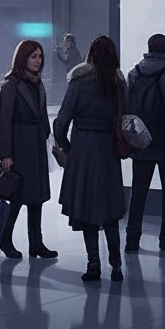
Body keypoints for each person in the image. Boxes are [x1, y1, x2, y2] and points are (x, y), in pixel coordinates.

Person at [55, 35, 127, 282]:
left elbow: (62, 121)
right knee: (109, 212)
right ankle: (116, 266)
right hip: (108, 151)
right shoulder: (118, 82)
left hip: (84, 150)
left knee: (87, 212)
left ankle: (93, 264)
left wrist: (66, 147)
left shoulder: (79, 80)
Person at [125, 33, 165, 252]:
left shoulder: (134, 72)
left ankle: (132, 239)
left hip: (141, 143)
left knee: (138, 192)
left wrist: (138, 132)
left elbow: (126, 106)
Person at [0, 39, 57, 260]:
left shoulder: (37, 82)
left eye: (40, 57)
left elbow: (42, 115)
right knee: (17, 196)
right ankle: (5, 238)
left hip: (36, 145)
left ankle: (36, 243)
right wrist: (6, 154)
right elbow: (5, 122)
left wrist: (49, 140)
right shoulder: (11, 84)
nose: (38, 61)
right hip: (20, 145)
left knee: (37, 196)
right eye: (34, 56)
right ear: (23, 58)